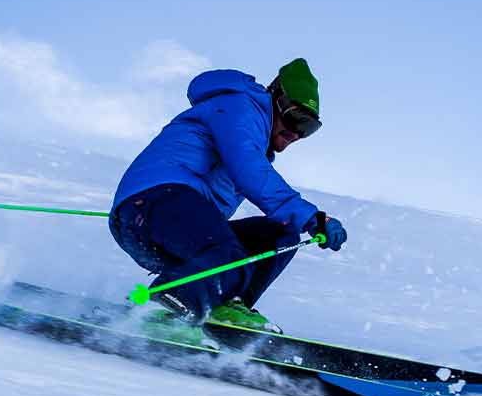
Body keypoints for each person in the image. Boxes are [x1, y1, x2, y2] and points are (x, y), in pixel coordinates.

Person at [109, 57, 346, 345]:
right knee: (227, 254)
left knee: (279, 236)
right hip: (153, 203)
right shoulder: (241, 108)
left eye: (308, 128)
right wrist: (312, 218)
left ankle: (224, 309)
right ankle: (164, 305)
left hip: (176, 224)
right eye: (296, 118)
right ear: (275, 98)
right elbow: (249, 170)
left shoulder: (256, 136)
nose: (296, 133)